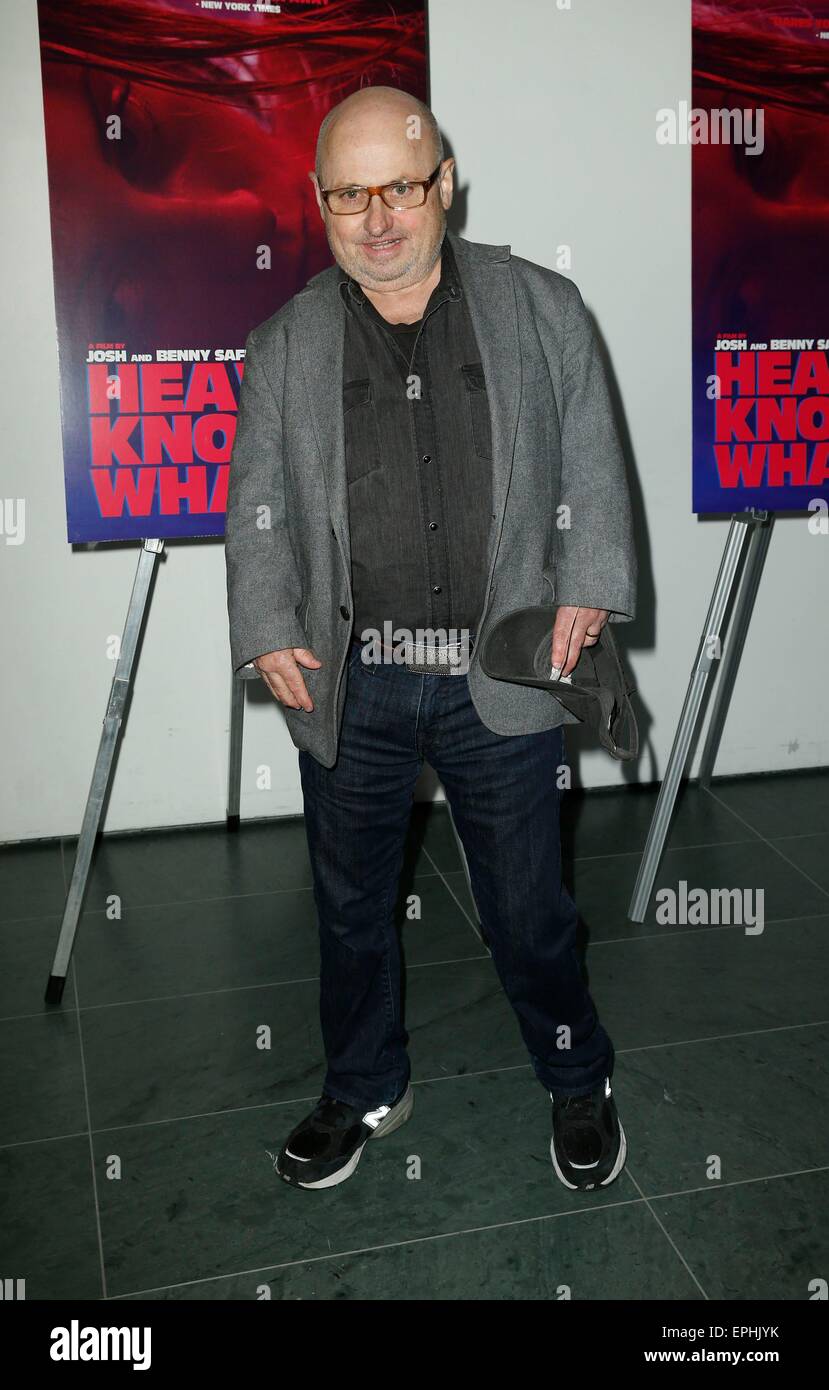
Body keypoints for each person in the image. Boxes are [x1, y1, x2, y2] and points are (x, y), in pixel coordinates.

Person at [224, 85, 637, 1192]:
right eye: (349, 193)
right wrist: (265, 624)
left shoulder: (538, 307)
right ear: (320, 204)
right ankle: (364, 1085)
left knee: (527, 903)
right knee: (350, 902)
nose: (377, 215)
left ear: (441, 183)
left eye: (397, 186)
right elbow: (254, 498)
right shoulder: (284, 343)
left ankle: (574, 1074)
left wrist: (588, 584)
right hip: (348, 675)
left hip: (496, 666)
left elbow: (591, 451)